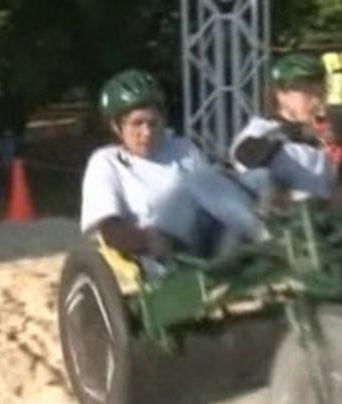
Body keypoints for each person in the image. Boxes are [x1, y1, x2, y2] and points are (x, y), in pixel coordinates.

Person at [80, 69, 263, 267]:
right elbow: (110, 231)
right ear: (116, 126)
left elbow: (215, 198)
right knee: (196, 180)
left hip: (210, 242)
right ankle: (263, 235)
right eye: (137, 124)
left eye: (153, 122)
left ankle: (270, 234)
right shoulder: (106, 162)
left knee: (260, 177)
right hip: (163, 252)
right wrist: (146, 240)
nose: (147, 132)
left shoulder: (182, 147)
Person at [230, 52, 342, 211]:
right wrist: (294, 133)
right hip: (303, 214)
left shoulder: (332, 125)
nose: (316, 100)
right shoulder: (261, 129)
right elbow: (245, 156)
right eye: (308, 92)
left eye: (320, 92)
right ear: (281, 95)